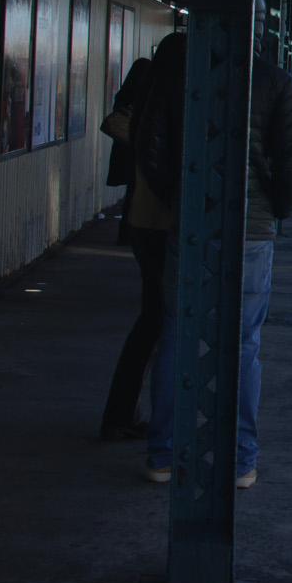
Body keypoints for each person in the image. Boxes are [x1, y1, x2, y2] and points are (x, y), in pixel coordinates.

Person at [139, 0, 292, 489]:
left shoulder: (177, 75)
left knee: (176, 336)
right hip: (252, 234)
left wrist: (180, 197)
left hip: (188, 227)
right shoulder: (276, 82)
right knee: (244, 343)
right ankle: (238, 460)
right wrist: (274, 211)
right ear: (259, 28)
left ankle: (163, 454)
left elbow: (151, 149)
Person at [98, 55, 159, 440]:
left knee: (152, 320)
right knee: (155, 321)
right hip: (156, 222)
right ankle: (125, 413)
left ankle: (122, 411)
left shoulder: (153, 82)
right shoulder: (159, 93)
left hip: (142, 221)